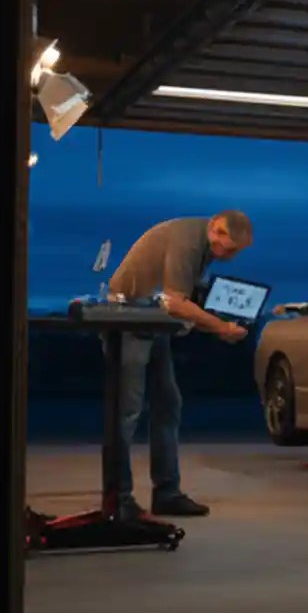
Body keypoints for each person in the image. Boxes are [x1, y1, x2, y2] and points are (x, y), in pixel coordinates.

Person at [106, 211, 252, 517]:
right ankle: (118, 497)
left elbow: (176, 299)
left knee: (168, 402)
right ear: (215, 226)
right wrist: (221, 327)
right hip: (129, 318)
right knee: (127, 410)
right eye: (225, 246)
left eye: (233, 251)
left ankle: (167, 492)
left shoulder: (203, 246)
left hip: (153, 320)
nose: (226, 255)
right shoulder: (188, 240)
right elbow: (175, 301)